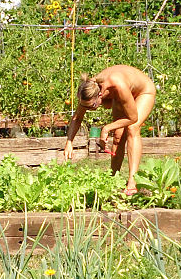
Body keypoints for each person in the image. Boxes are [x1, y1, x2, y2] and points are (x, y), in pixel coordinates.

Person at [63, 65, 156, 195]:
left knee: (132, 128)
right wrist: (69, 142)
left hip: (143, 92)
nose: (90, 109)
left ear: (100, 95)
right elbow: (78, 117)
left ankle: (132, 181)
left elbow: (133, 118)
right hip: (122, 96)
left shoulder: (118, 86)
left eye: (93, 106)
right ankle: (113, 179)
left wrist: (106, 128)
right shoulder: (89, 89)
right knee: (117, 137)